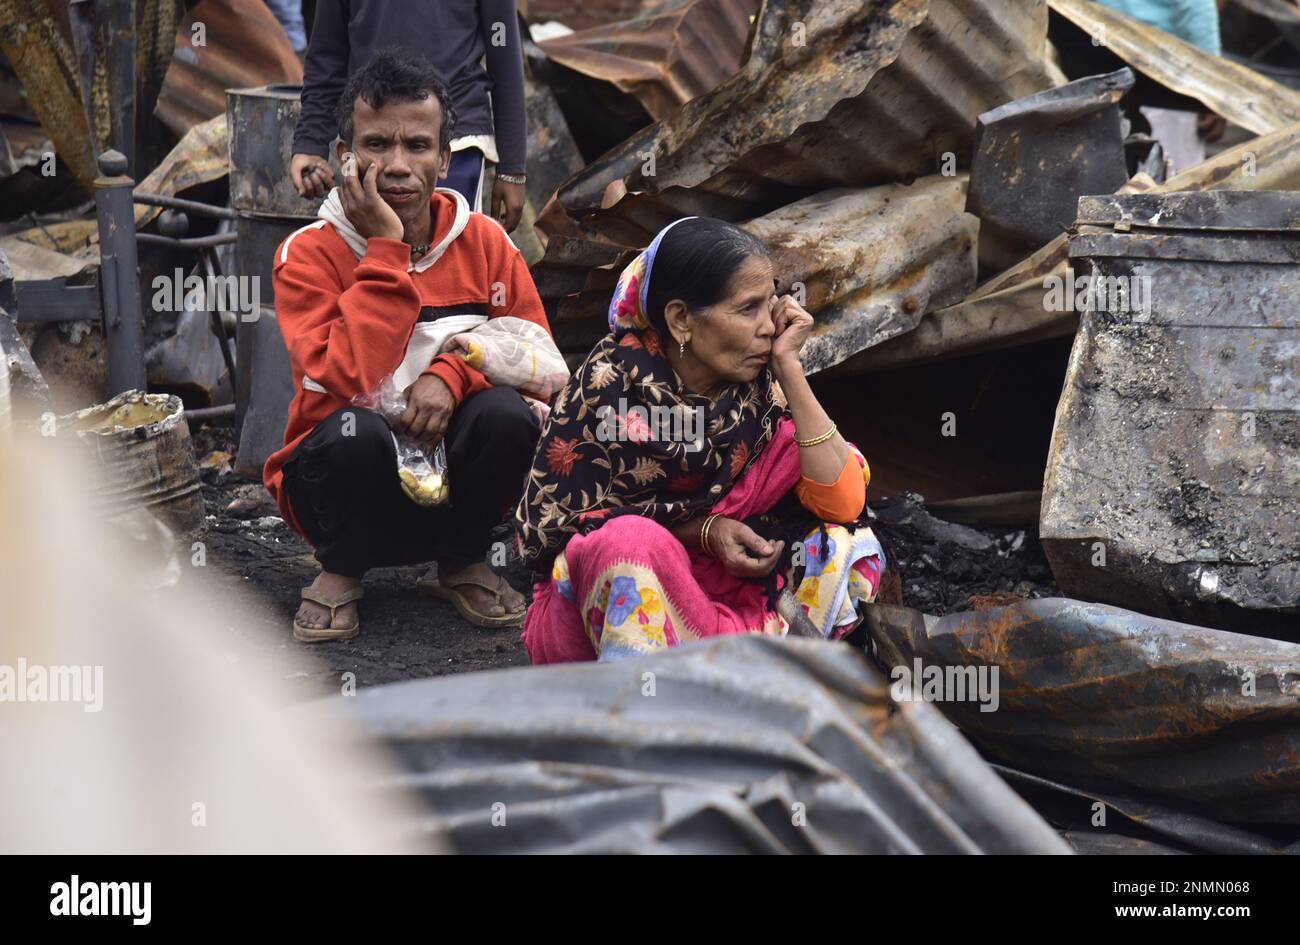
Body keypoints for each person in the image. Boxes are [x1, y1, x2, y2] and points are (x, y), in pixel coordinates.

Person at [264, 51, 563, 642]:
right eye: (376, 145)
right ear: (345, 157)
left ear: (446, 159)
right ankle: (341, 570)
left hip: (450, 484)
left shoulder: (485, 242)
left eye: (418, 147)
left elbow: (537, 361)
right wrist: (386, 251)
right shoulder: (308, 254)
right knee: (356, 431)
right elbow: (342, 378)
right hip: (344, 492)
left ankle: (462, 559)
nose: (397, 165)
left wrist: (453, 374)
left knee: (507, 415)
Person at [516, 217, 886, 663]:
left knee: (845, 547)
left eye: (770, 303)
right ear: (681, 320)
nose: (769, 326)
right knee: (627, 543)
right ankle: (651, 710)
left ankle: (737, 681)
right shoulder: (608, 391)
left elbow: (843, 502)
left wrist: (790, 369)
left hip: (733, 595)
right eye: (748, 309)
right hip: (607, 613)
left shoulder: (761, 393)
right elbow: (555, 532)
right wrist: (705, 532)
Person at [288, 0, 528, 230]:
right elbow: (328, 53)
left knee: (445, 258)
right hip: (372, 140)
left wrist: (512, 169)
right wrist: (310, 141)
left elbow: (503, 47)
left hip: (455, 143)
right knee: (373, 255)